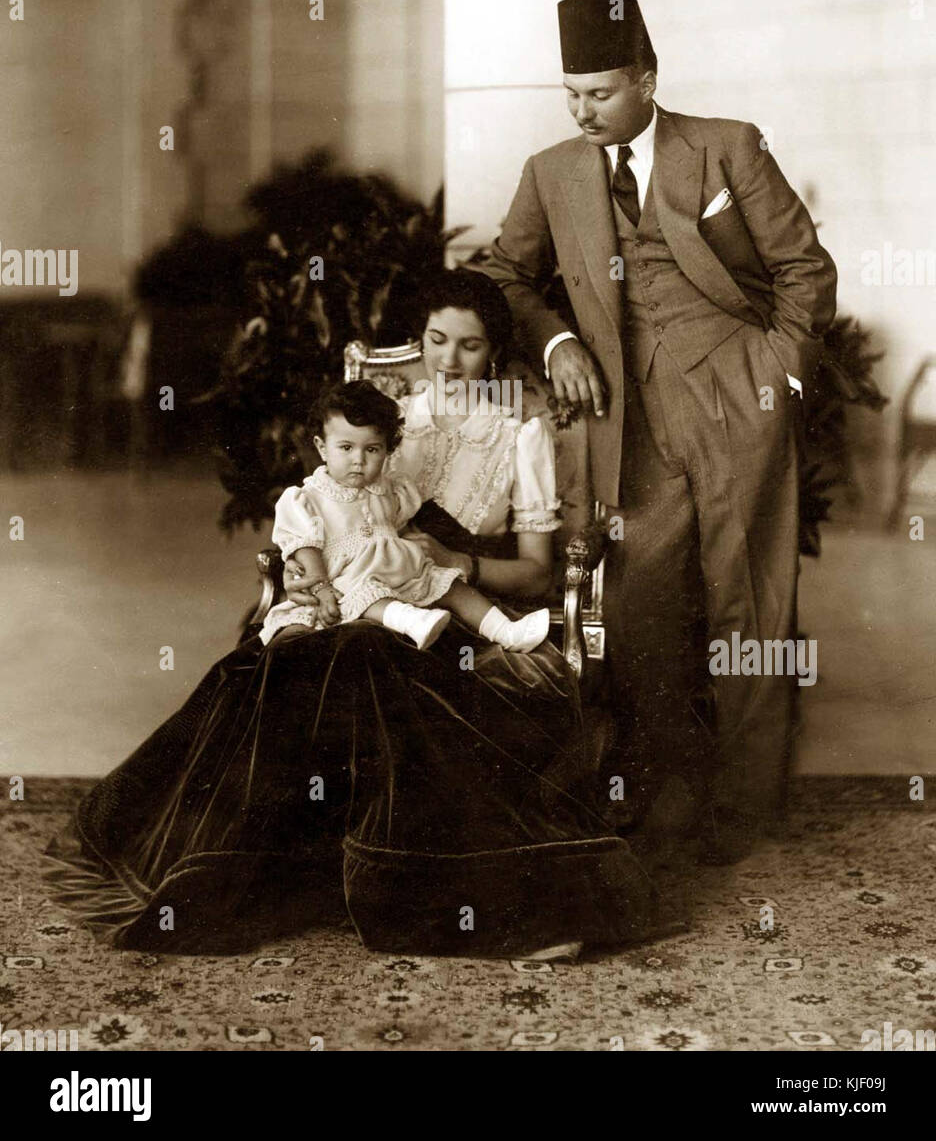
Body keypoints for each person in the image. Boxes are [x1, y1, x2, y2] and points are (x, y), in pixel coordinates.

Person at [43, 269, 678, 958]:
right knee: (303, 652)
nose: (449, 358)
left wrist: (457, 564)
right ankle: (266, 871)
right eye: (436, 339)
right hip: (355, 600)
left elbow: (538, 570)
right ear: (419, 339)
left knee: (365, 655)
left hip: (438, 608)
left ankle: (476, 902)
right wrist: (307, 569)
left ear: (494, 351)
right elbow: (320, 512)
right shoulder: (385, 415)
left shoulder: (518, 431)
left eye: (469, 345)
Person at [482, 0, 837, 863]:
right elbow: (502, 276)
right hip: (624, 420)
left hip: (735, 399)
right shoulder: (550, 172)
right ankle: (667, 792)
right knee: (640, 608)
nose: (582, 110)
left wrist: (780, 375)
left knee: (749, 599)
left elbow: (806, 271)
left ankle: (748, 811)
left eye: (599, 93)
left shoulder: (726, 147)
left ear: (645, 79)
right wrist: (559, 337)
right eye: (571, 94)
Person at [258, 379, 550, 654]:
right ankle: (412, 622)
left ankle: (506, 631)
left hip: (396, 575)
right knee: (369, 592)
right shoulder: (308, 497)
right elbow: (305, 548)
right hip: (343, 581)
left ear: (387, 451)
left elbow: (401, 527)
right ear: (322, 448)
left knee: (450, 585)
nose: (359, 460)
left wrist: (424, 566)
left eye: (371, 449)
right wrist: (321, 588)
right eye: (346, 448)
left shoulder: (391, 489)